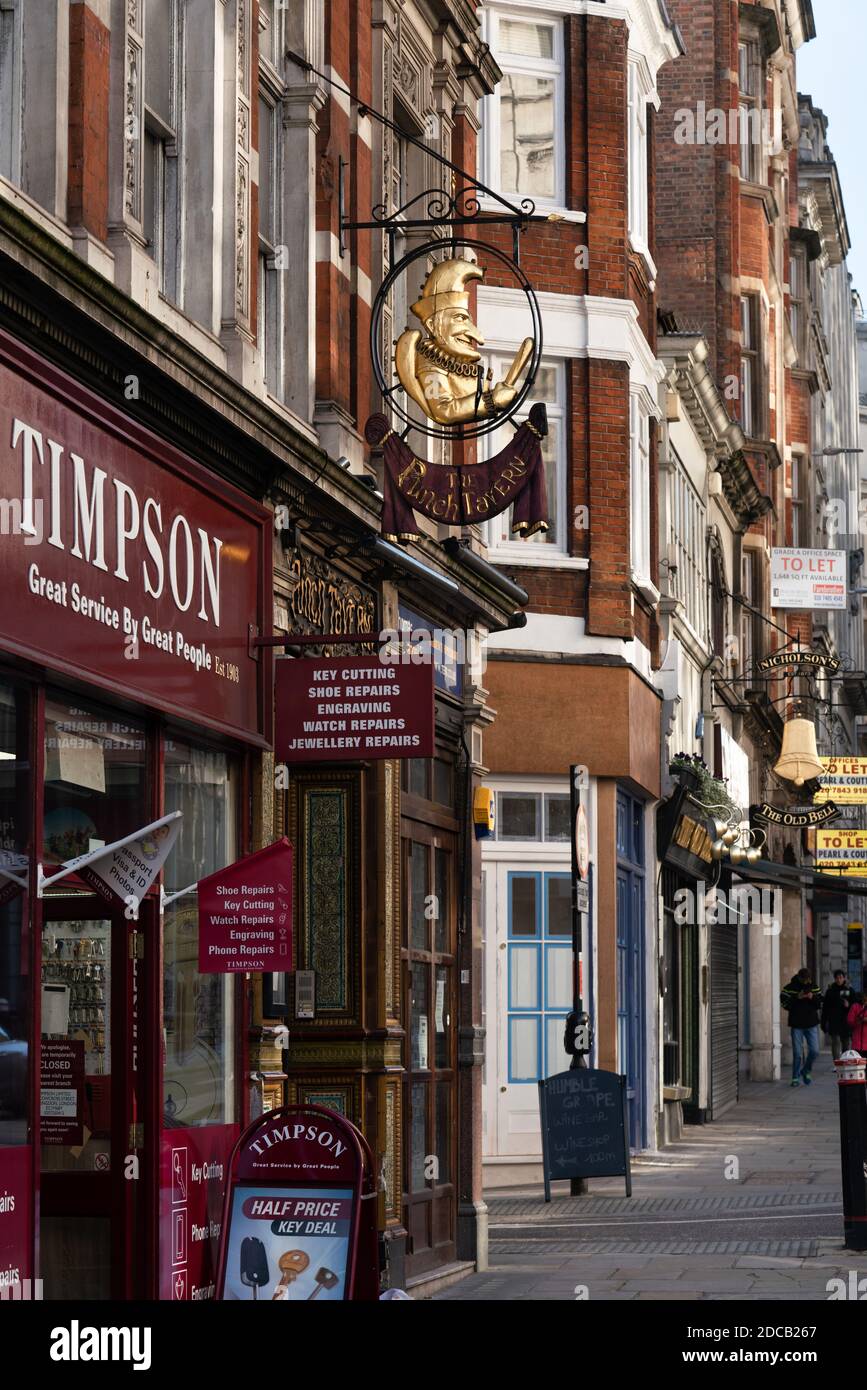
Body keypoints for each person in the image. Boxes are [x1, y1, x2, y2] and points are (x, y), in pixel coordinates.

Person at [780, 968, 823, 1086]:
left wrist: (812, 997)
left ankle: (806, 1070)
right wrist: (796, 997)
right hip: (797, 1025)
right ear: (799, 977)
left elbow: (820, 1003)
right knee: (798, 1053)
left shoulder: (814, 987)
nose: (806, 982)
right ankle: (795, 1077)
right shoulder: (789, 987)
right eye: (804, 979)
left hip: (811, 1024)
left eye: (808, 979)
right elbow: (784, 1004)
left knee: (815, 1051)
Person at [821, 969, 854, 1061]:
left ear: (844, 978)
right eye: (837, 978)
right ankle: (836, 1062)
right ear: (834, 979)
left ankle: (844, 1061)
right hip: (834, 1020)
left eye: (841, 977)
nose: (839, 980)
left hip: (845, 1021)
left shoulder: (849, 990)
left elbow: (855, 1004)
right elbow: (825, 1008)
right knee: (835, 1042)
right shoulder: (830, 991)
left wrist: (849, 1005)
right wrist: (823, 1022)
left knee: (846, 1043)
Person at [847, 993, 867, 1060]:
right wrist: (859, 1020)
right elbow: (850, 1021)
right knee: (858, 1067)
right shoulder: (855, 1006)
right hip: (857, 1044)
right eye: (864, 999)